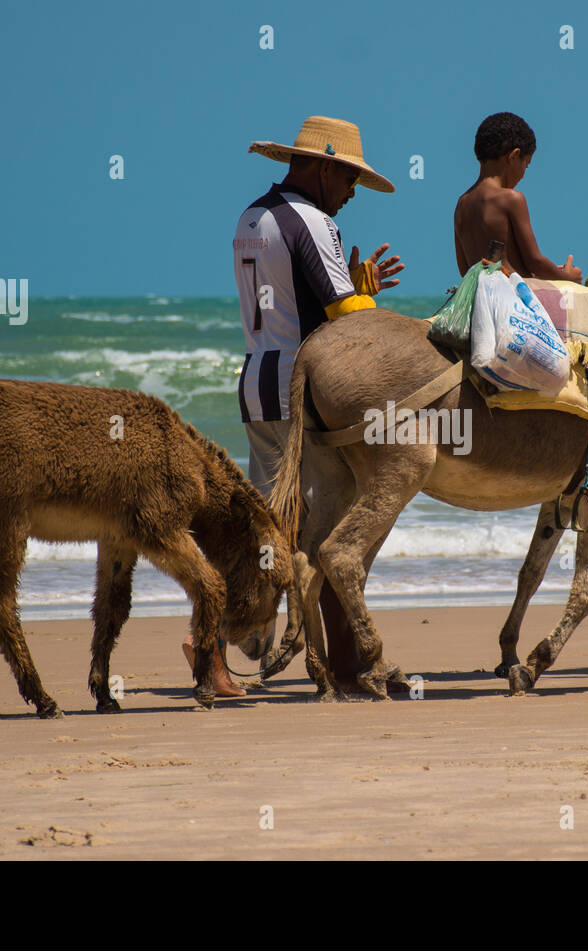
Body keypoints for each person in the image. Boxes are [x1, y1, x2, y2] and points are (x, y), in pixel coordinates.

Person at [183, 115, 403, 696]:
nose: (352, 191)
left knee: (270, 531)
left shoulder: (250, 216)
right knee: (322, 525)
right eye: (349, 177)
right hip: (299, 389)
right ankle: (221, 646)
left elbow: (288, 299)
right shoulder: (312, 220)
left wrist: (354, 289)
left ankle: (308, 655)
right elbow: (341, 316)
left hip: (257, 375)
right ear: (325, 167)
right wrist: (366, 295)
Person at [453, 112, 583, 283]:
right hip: (514, 297)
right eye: (526, 165)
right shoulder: (511, 199)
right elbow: (535, 261)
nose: (523, 174)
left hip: (479, 294)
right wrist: (567, 277)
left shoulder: (462, 204)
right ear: (514, 156)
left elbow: (465, 269)